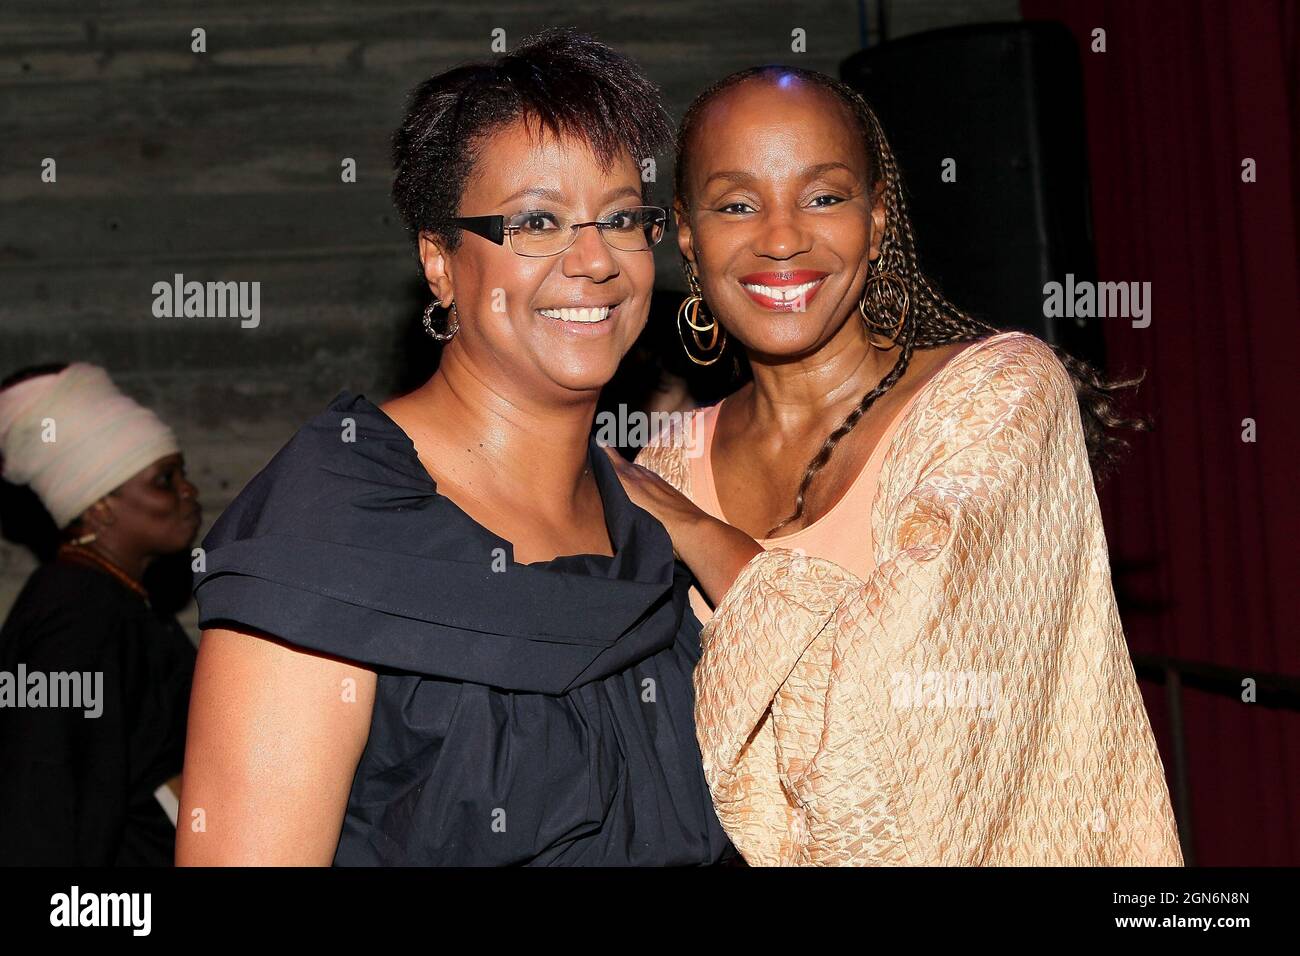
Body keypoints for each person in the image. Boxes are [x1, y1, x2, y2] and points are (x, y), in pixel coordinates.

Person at [176, 29, 732, 866]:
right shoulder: (329, 533)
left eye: (620, 218)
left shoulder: (653, 514)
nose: (594, 262)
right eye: (536, 222)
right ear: (439, 261)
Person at [603, 65, 1184, 865]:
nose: (780, 237)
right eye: (738, 204)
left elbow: (900, 714)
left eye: (824, 197)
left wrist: (697, 531)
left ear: (877, 222)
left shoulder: (999, 394)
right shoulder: (665, 462)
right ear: (690, 238)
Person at [0, 362, 200, 865]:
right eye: (163, 480)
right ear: (99, 507)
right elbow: (42, 794)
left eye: (182, 473)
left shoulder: (116, 598)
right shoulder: (75, 615)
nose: (188, 492)